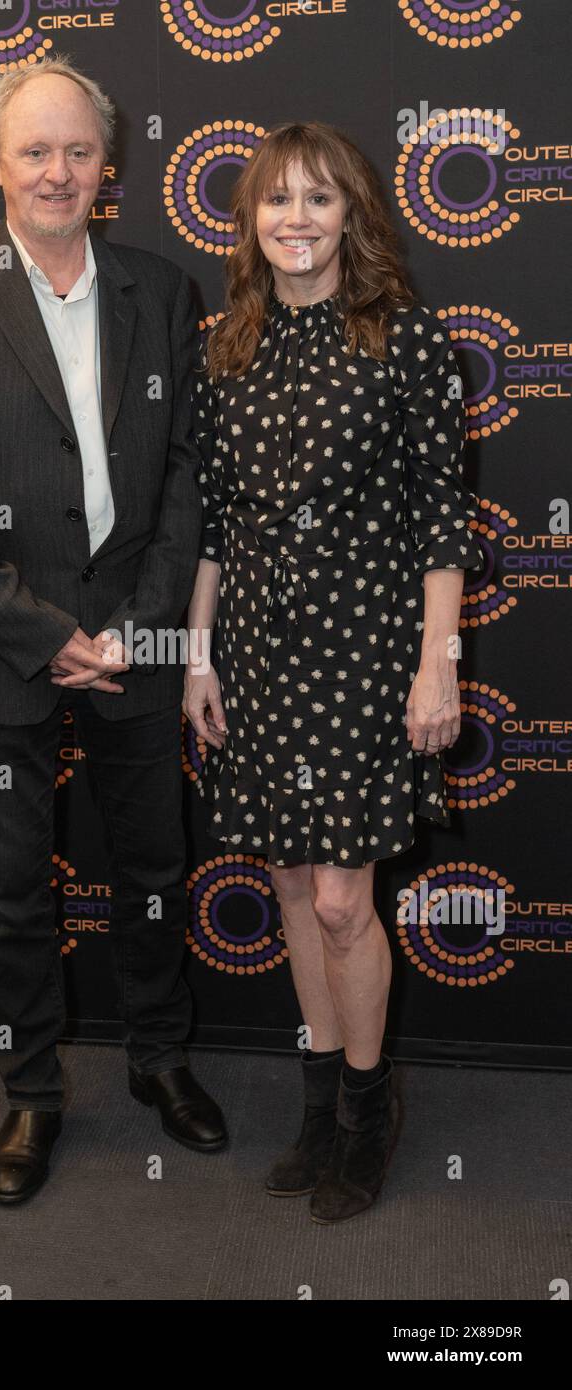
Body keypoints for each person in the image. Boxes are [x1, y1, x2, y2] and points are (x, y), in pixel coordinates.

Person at [0, 55, 226, 1207]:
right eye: (34, 149)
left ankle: (160, 1060)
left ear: (109, 165)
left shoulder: (161, 288)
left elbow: (185, 479)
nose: (57, 170)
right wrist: (46, 635)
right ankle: (31, 1091)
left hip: (138, 642)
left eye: (78, 149)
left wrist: (134, 630)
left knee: (151, 870)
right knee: (16, 892)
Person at [183, 121, 485, 1225]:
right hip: (260, 656)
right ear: (251, 222)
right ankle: (318, 1104)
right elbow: (215, 523)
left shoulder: (404, 337)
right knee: (292, 894)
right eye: (276, 202)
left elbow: (443, 523)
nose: (296, 220)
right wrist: (198, 655)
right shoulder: (227, 346)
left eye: (318, 200)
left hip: (366, 658)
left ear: (353, 215)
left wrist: (435, 666)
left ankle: (368, 1106)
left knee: (348, 899)